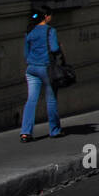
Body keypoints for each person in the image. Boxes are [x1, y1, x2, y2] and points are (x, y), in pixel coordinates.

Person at [21, 7, 63, 143]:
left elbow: (26, 54)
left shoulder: (29, 31)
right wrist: (60, 47)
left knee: (31, 100)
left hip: (32, 69)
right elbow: (55, 49)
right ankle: (54, 130)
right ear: (46, 16)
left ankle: (26, 132)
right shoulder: (51, 31)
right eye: (50, 15)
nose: (51, 17)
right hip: (46, 69)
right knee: (51, 99)